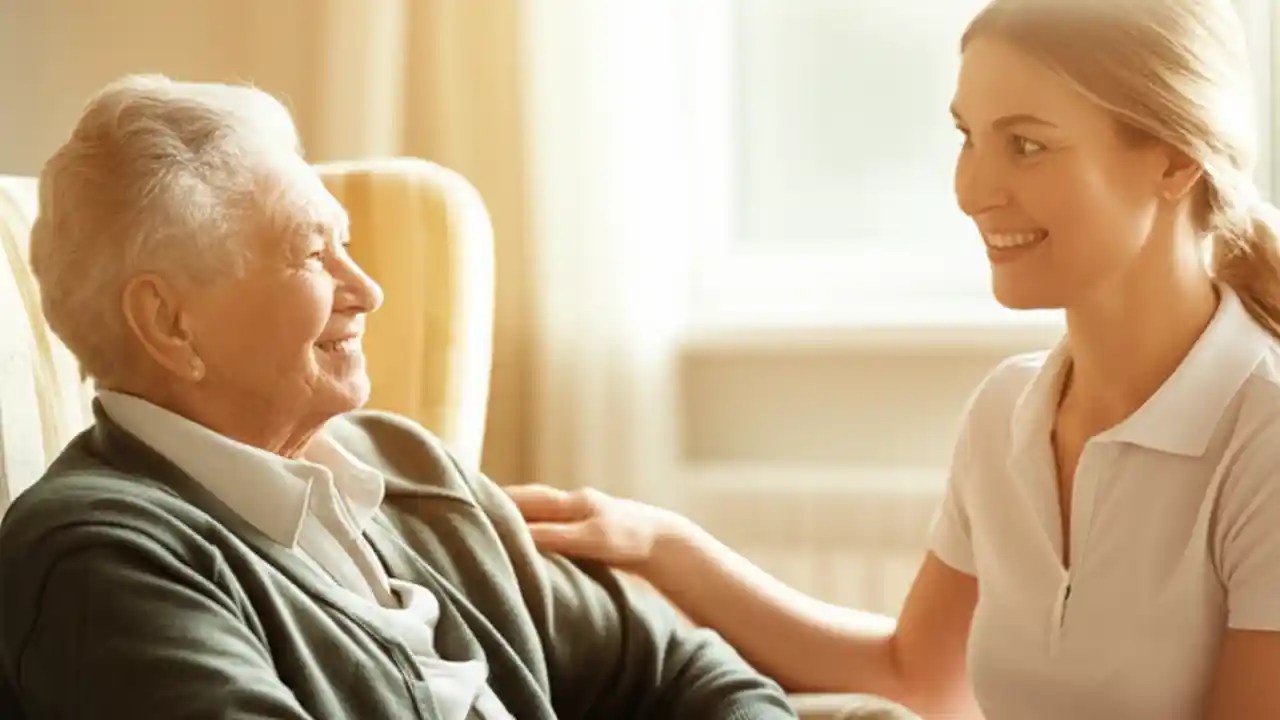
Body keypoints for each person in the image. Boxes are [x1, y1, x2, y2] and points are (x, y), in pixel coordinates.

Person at [504, 0, 1280, 718]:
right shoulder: (1007, 412)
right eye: (967, 138)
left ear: (1175, 162)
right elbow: (915, 676)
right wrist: (663, 546)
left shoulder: (1264, 435)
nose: (973, 189)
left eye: (1028, 146)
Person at [0, 75, 800, 720]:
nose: (368, 290)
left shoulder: (408, 469)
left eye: (345, 243)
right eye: (313, 253)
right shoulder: (98, 560)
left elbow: (673, 666)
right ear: (169, 322)